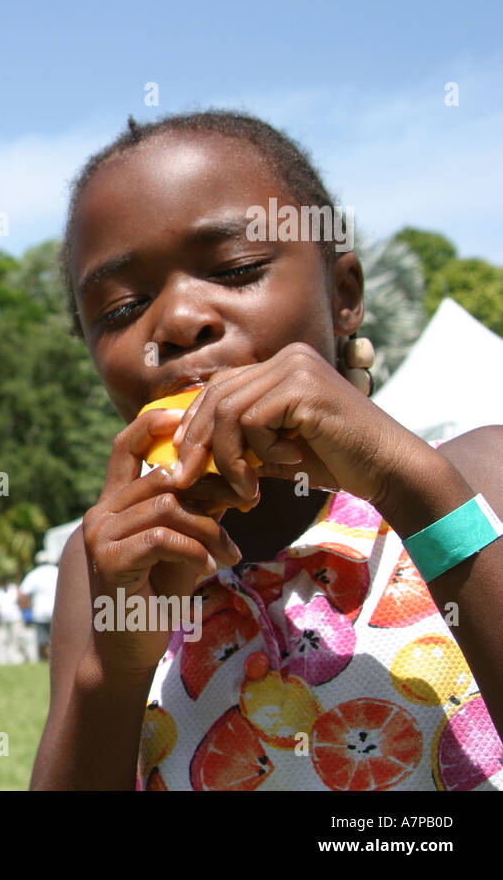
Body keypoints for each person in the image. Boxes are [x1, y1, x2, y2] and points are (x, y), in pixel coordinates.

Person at [31, 110, 503, 791]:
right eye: (121, 310)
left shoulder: (475, 476)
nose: (179, 321)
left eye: (237, 268)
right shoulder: (101, 563)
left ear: (343, 298)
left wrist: (415, 491)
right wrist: (116, 668)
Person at [20, 551, 59, 662]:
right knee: (57, 638)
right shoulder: (57, 571)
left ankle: (45, 659)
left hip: (39, 612)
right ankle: (56, 658)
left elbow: (22, 594)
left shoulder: (34, 574)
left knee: (42, 639)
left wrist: (26, 609)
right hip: (57, 611)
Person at [0, 574, 26, 665]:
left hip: (15, 618)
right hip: (2, 619)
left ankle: (16, 658)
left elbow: (22, 601)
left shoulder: (14, 589)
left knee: (16, 638)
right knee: (2, 639)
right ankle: (2, 659)